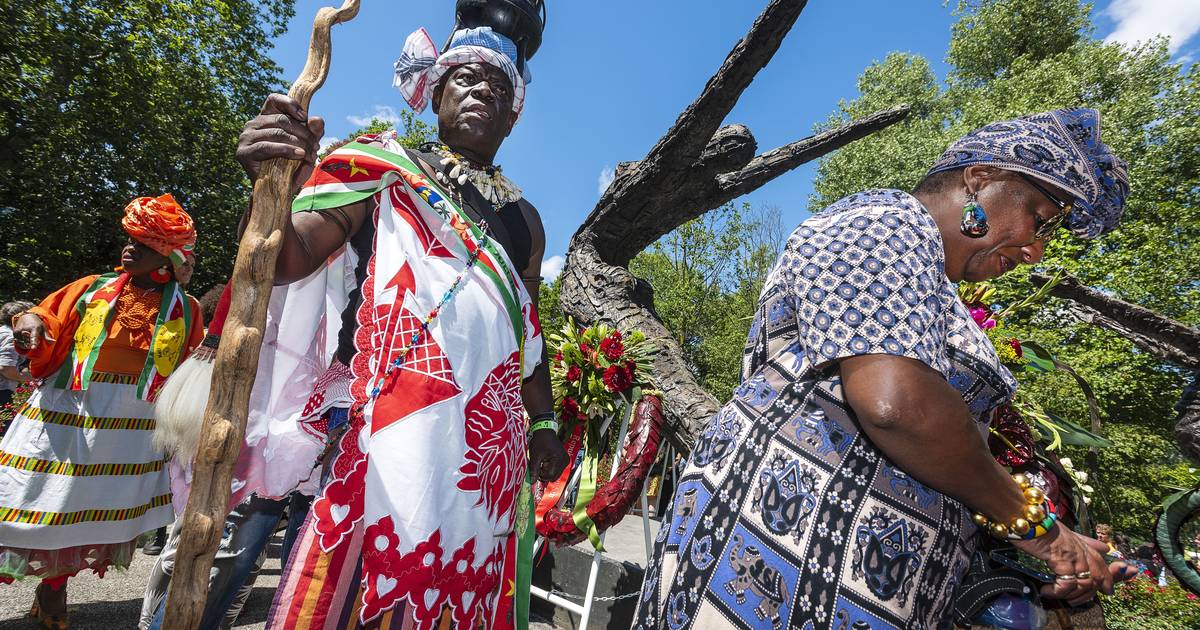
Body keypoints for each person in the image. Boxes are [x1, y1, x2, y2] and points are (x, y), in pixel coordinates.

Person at [633, 109, 1137, 630]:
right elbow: (898, 404)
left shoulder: (935, 288)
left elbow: (945, 451)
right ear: (980, 179)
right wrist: (1044, 534)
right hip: (771, 574)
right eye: (1040, 219)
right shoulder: (883, 221)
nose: (1036, 251)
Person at [230, 23, 567, 629]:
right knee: (358, 593)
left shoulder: (525, 222)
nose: (482, 93)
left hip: (480, 456)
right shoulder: (386, 167)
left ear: (513, 117)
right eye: (465, 78)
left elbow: (529, 337)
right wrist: (270, 183)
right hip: (380, 434)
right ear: (433, 93)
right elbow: (283, 258)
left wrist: (543, 425)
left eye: (498, 87)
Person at [0, 194, 204, 629]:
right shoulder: (90, 289)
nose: (129, 248)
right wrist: (30, 326)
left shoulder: (186, 310)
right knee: (26, 500)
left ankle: (52, 589)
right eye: (129, 240)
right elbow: (45, 317)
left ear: (166, 260)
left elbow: (189, 369)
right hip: (65, 417)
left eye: (144, 245)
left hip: (129, 430)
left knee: (85, 515)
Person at [0, 300, 34, 410]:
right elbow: (5, 368)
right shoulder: (11, 337)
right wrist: (32, 379)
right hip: (3, 391)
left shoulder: (2, 331)